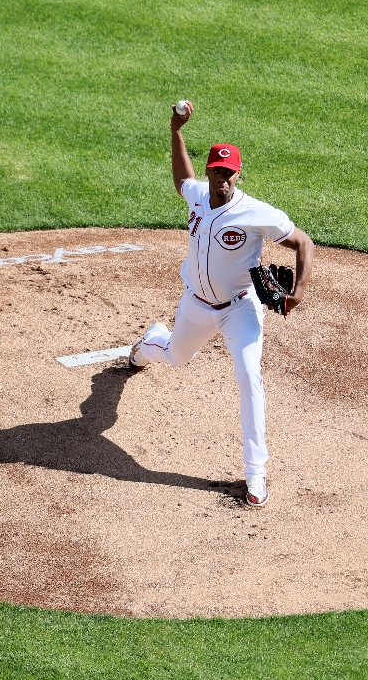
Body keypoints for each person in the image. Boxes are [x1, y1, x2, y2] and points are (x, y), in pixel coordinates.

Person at [128, 101, 314, 508]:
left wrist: (297, 292)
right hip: (195, 305)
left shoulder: (254, 212)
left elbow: (303, 241)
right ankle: (149, 343)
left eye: (230, 172)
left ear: (237, 174)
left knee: (249, 376)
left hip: (240, 309)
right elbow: (182, 180)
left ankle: (256, 475)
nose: (223, 178)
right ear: (210, 171)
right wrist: (176, 132)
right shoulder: (198, 196)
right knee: (175, 355)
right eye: (217, 171)